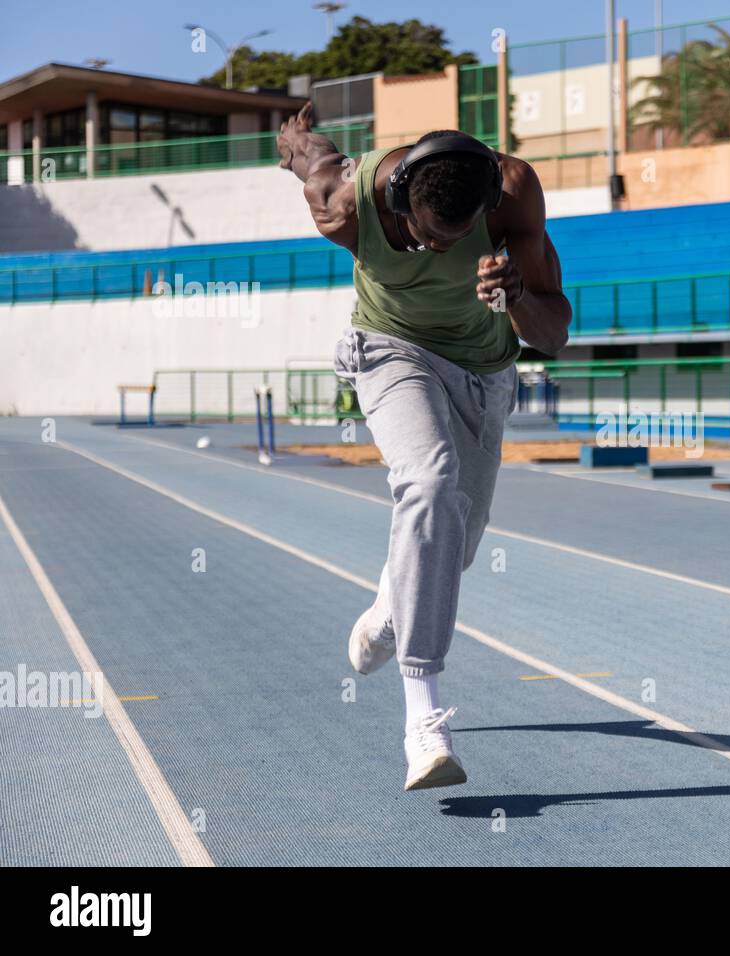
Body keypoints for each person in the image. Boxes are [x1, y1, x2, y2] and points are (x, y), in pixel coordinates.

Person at [277, 103, 571, 790]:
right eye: (428, 235)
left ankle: (389, 611)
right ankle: (425, 721)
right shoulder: (348, 205)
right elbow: (309, 156)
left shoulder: (513, 193)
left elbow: (553, 333)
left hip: (486, 372)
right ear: (400, 200)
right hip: (390, 351)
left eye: (459, 235)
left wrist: (517, 296)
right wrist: (293, 140)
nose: (443, 246)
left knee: (457, 540)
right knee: (431, 483)